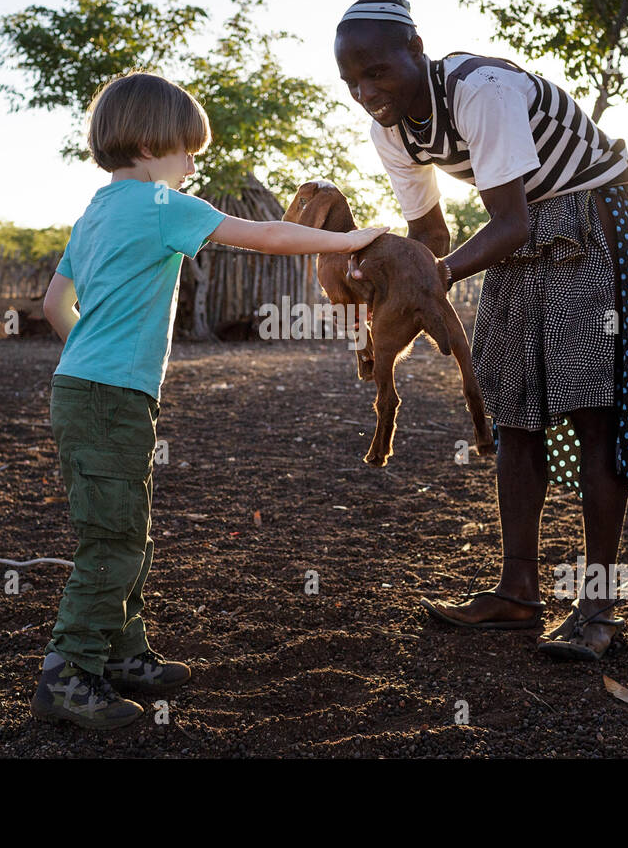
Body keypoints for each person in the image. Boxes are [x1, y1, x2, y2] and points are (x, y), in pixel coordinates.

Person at [31, 71, 389, 729]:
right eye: (189, 149)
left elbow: (56, 304)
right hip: (111, 399)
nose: (195, 163)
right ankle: (70, 674)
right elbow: (267, 235)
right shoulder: (163, 206)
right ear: (148, 143)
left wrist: (96, 353)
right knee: (112, 540)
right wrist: (349, 240)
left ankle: (124, 654)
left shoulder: (94, 213)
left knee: (123, 528)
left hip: (82, 389)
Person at [334, 0, 628, 661]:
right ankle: (517, 592)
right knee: (513, 413)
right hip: (518, 237)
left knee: (588, 410)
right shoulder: (391, 128)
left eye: (376, 72)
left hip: (588, 222)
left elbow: (505, 224)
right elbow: (431, 233)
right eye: (351, 81)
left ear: (415, 52)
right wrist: (387, 272)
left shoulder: (481, 89)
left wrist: (438, 277)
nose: (365, 91)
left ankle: (596, 609)